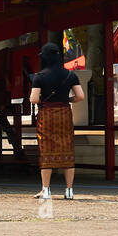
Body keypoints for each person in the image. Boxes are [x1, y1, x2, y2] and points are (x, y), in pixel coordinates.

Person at [29, 42, 85, 200]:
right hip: (64, 114)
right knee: (67, 146)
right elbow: (80, 96)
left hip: (46, 114)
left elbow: (33, 99)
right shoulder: (70, 75)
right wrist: (68, 99)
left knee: (46, 149)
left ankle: (45, 189)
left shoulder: (39, 76)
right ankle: (69, 190)